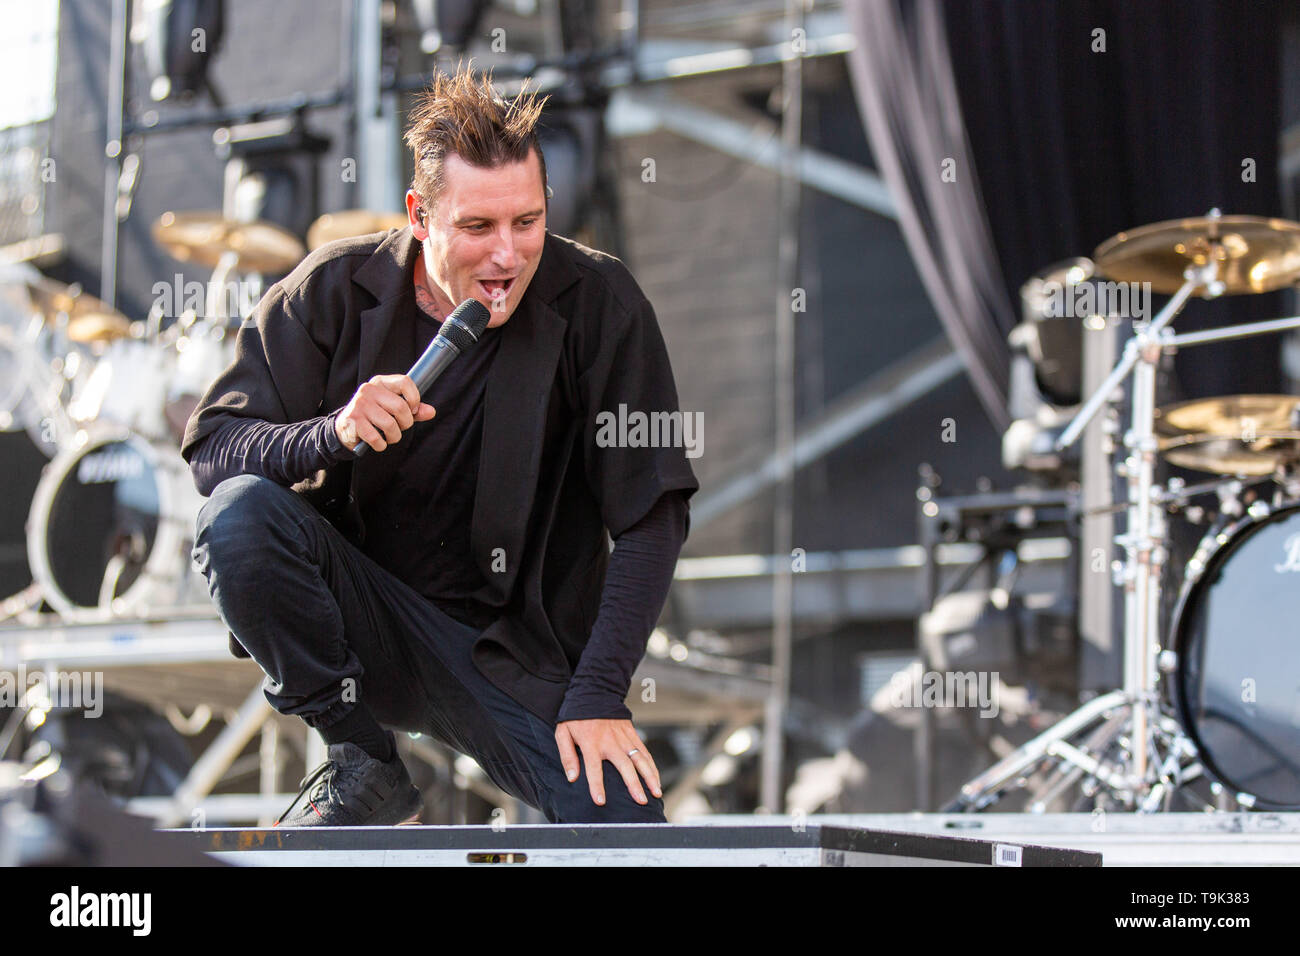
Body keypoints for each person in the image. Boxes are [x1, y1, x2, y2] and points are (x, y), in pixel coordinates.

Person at [182, 66, 699, 825]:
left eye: (528, 223)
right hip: (367, 625)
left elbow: (653, 518)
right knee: (237, 519)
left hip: (515, 656)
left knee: (623, 827)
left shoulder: (599, 301)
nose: (508, 257)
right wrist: (331, 433)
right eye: (479, 229)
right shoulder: (331, 290)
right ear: (421, 216)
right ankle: (363, 763)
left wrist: (597, 694)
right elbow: (213, 452)